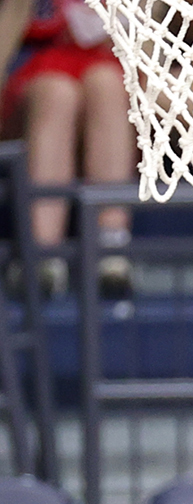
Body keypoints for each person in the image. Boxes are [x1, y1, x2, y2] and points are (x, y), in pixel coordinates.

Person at [0, 0, 133, 294]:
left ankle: (111, 242)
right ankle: (42, 252)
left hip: (102, 71)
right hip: (30, 79)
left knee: (108, 83)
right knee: (57, 92)